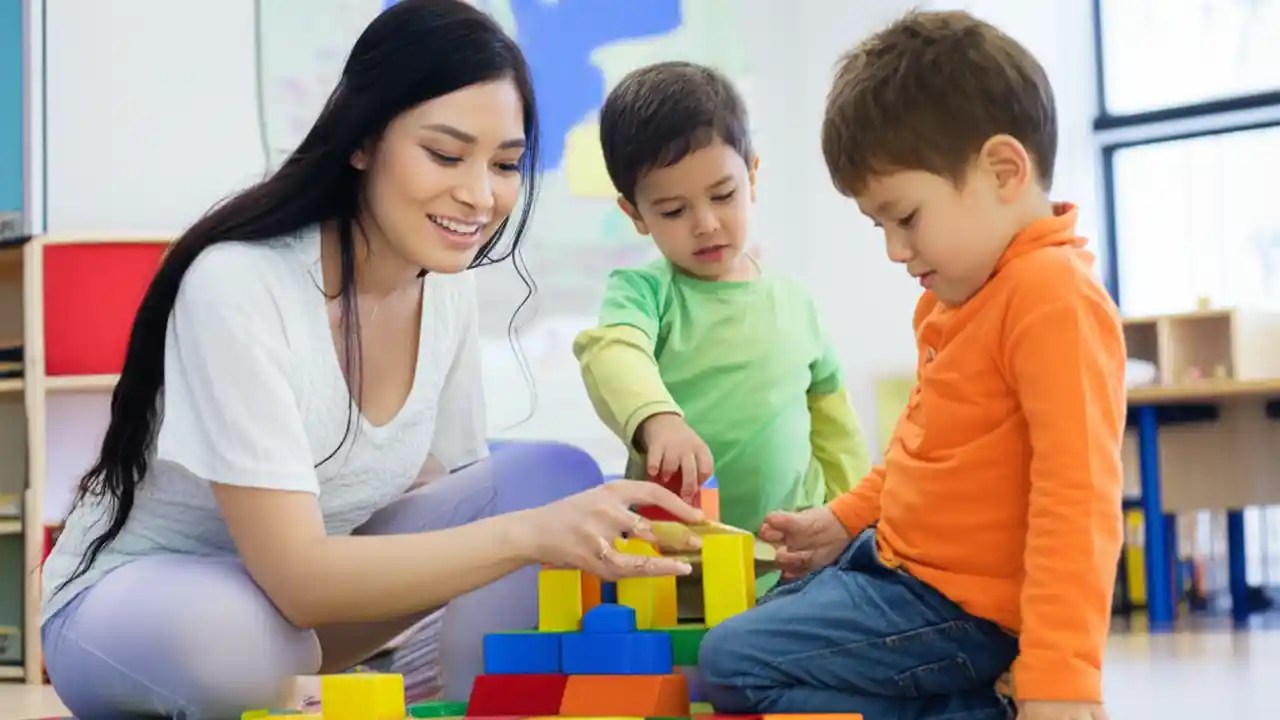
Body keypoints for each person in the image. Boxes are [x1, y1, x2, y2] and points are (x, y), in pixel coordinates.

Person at [38, 2, 702, 717]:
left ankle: (466, 701)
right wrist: (526, 538)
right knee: (261, 650)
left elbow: (441, 492)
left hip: (298, 612)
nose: (480, 196)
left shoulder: (445, 287)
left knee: (555, 478)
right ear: (362, 142)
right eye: (446, 155)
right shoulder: (238, 284)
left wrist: (560, 521)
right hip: (140, 605)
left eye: (505, 164)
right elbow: (298, 579)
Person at [698, 11, 1125, 720]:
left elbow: (1076, 502)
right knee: (742, 637)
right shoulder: (955, 296)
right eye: (880, 227)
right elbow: (921, 451)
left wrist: (1060, 680)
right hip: (896, 570)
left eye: (907, 218)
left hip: (963, 611)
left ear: (1002, 170)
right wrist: (844, 519)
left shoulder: (1052, 296)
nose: (896, 251)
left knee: (730, 663)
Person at [572, 62, 871, 571]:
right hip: (682, 556)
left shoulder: (796, 303)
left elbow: (835, 428)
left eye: (723, 195)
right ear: (636, 216)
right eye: (672, 211)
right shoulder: (645, 293)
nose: (706, 225)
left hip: (795, 556)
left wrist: (855, 519)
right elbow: (613, 353)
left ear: (752, 176)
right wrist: (658, 421)